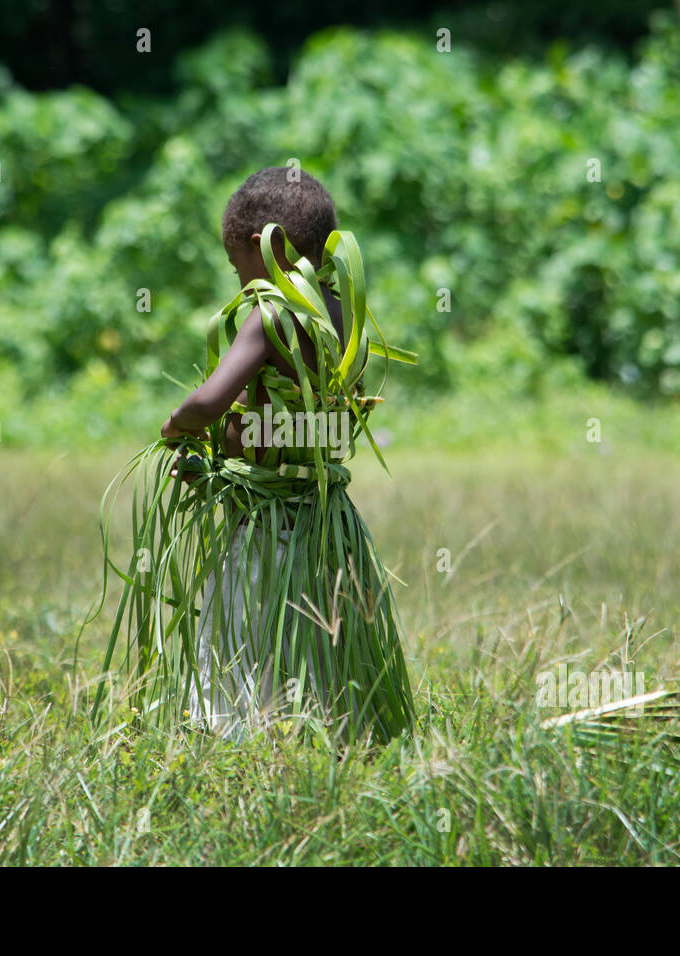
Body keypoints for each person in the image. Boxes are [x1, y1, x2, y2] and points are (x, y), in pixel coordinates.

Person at [98, 167, 416, 744]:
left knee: (242, 629)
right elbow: (294, 415)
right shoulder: (344, 316)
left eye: (234, 266)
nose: (238, 281)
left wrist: (177, 427)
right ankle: (330, 733)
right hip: (327, 522)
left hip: (268, 523)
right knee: (319, 635)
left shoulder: (271, 315)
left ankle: (237, 740)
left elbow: (211, 400)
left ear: (256, 246)